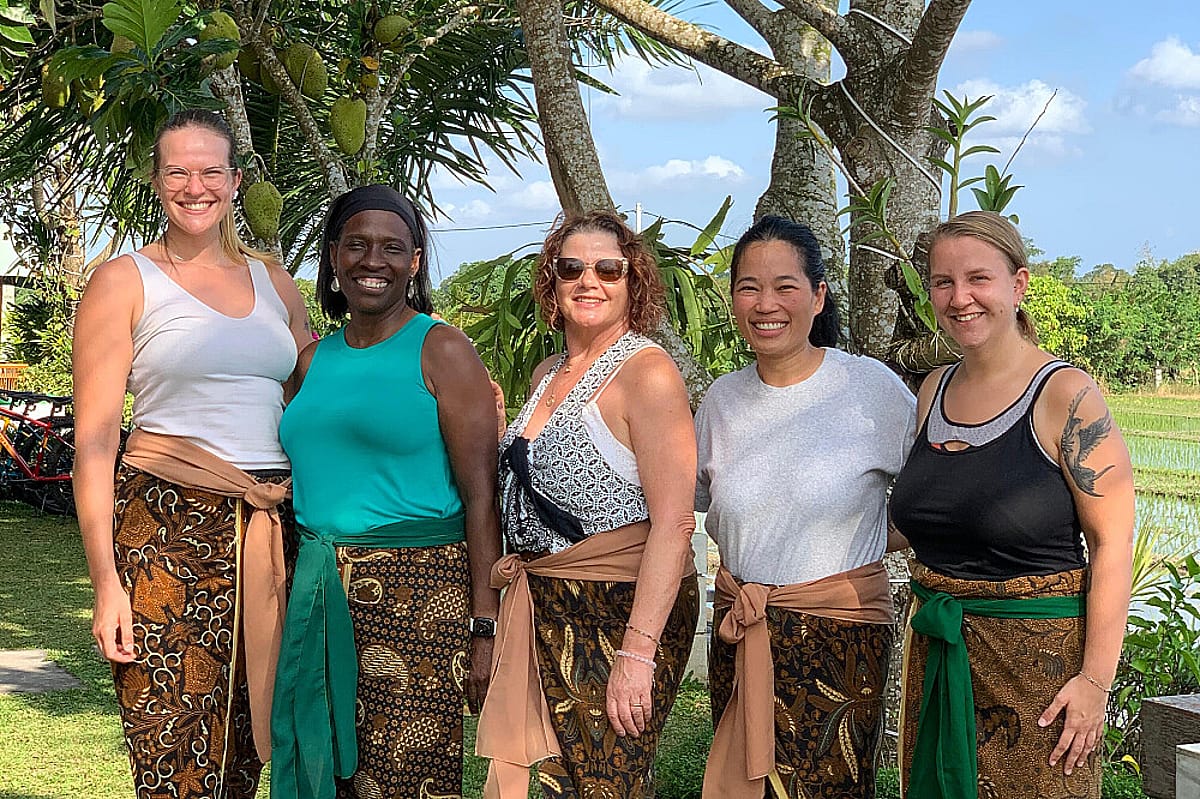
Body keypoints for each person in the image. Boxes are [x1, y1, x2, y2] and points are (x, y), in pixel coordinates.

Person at [72, 109, 312, 798]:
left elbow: (317, 406)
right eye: (177, 170)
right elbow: (94, 444)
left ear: (236, 182)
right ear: (157, 182)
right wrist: (106, 583)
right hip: (167, 528)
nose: (194, 185)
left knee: (246, 747)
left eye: (210, 171)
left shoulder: (275, 282)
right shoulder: (123, 280)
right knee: (170, 745)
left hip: (270, 530)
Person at [889, 211, 1134, 799]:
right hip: (942, 655)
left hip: (1040, 679)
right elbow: (918, 524)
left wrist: (1095, 683)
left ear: (1018, 285)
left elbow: (1112, 545)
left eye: (979, 279)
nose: (960, 298)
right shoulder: (934, 390)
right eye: (943, 282)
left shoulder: (1064, 396)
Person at [269, 184, 502, 799]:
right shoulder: (311, 361)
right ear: (333, 258)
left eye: (392, 248)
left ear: (415, 262)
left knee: (406, 779)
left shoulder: (442, 349)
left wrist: (485, 626)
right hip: (318, 587)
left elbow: (483, 497)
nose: (374, 261)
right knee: (323, 762)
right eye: (358, 245)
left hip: (420, 599)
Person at [475, 209, 700, 798]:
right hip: (547, 603)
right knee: (544, 780)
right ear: (551, 282)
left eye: (608, 269)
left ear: (634, 282)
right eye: (571, 268)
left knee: (606, 780)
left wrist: (638, 653)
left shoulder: (646, 373)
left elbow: (675, 523)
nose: (588, 281)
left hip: (617, 609)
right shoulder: (550, 372)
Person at [695, 215, 917, 799]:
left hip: (841, 634)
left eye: (785, 286)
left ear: (818, 296)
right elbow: (691, 502)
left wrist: (869, 535)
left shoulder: (871, 390)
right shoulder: (722, 401)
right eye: (749, 286)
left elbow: (932, 499)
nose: (766, 303)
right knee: (747, 782)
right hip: (744, 627)